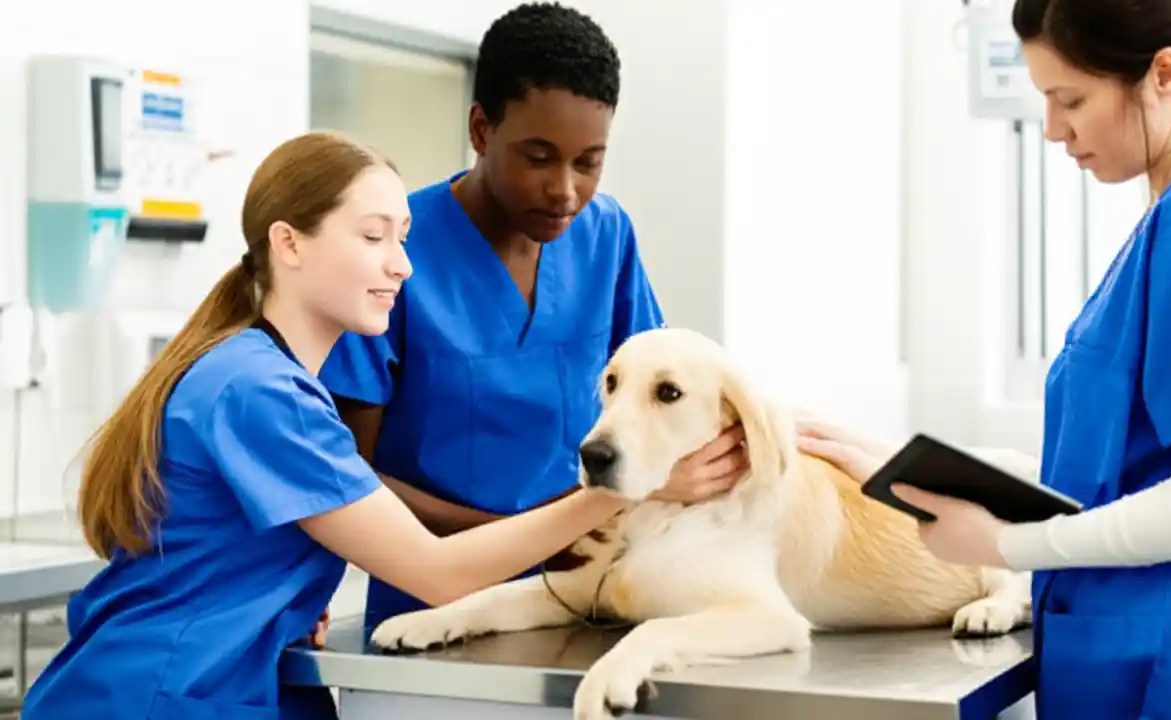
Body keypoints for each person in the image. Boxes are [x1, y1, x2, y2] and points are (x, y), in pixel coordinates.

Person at [18, 131, 636, 720]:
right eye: (373, 237)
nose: (402, 267)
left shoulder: (269, 377)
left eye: (403, 239)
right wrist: (622, 488)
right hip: (158, 694)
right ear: (288, 244)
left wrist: (283, 604)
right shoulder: (259, 391)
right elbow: (438, 571)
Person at [799, 1, 1171, 718]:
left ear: (1165, 76)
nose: (1053, 130)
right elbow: (1124, 468)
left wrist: (1010, 544)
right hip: (1135, 667)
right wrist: (916, 474)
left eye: (1071, 100)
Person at [317, 1, 747, 637]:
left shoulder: (607, 236)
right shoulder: (394, 252)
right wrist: (528, 540)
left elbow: (659, 403)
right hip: (435, 608)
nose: (565, 191)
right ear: (482, 130)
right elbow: (350, 481)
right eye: (539, 157)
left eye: (589, 161)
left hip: (595, 592)